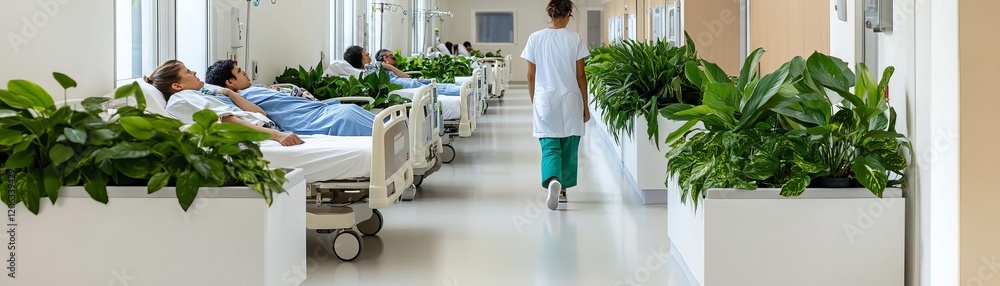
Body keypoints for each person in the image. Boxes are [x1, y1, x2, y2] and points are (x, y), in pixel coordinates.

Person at [520, 0, 591, 210]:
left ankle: (552, 180)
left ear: (551, 14)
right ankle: (562, 190)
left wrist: (535, 101)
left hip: (545, 98)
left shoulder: (535, 38)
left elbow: (530, 76)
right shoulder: (575, 39)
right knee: (569, 145)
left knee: (550, 146)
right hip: (570, 99)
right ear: (568, 14)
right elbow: (581, 76)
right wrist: (586, 106)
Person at [143, 60, 303, 146]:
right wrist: (277, 136)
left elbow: (260, 113)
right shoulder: (182, 99)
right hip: (265, 135)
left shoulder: (197, 95)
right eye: (188, 72)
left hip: (267, 130)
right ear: (177, 86)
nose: (194, 72)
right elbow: (227, 121)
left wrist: (229, 92)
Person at [203, 60, 376, 136]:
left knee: (388, 127)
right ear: (230, 82)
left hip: (329, 112)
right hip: (326, 120)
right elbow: (260, 113)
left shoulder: (255, 88)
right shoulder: (242, 96)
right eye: (239, 72)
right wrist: (229, 94)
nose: (245, 73)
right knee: (383, 130)